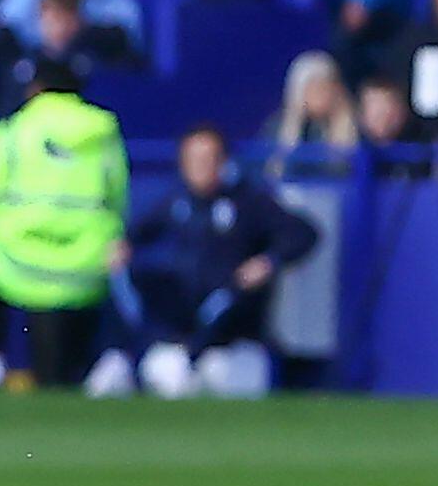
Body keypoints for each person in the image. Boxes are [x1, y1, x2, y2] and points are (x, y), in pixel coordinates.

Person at [125, 122, 318, 393]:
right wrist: (122, 248)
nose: (201, 167)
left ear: (223, 161)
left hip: (236, 340)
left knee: (230, 380)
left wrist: (267, 262)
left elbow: (303, 233)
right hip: (181, 341)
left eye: (209, 158)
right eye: (194, 159)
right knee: (167, 375)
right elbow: (136, 235)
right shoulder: (174, 204)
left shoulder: (248, 203)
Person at [0, 54, 128, 390]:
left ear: (35, 88)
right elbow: (118, 198)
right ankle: (95, 365)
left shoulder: (8, 132)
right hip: (85, 269)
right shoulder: (104, 131)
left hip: (19, 265)